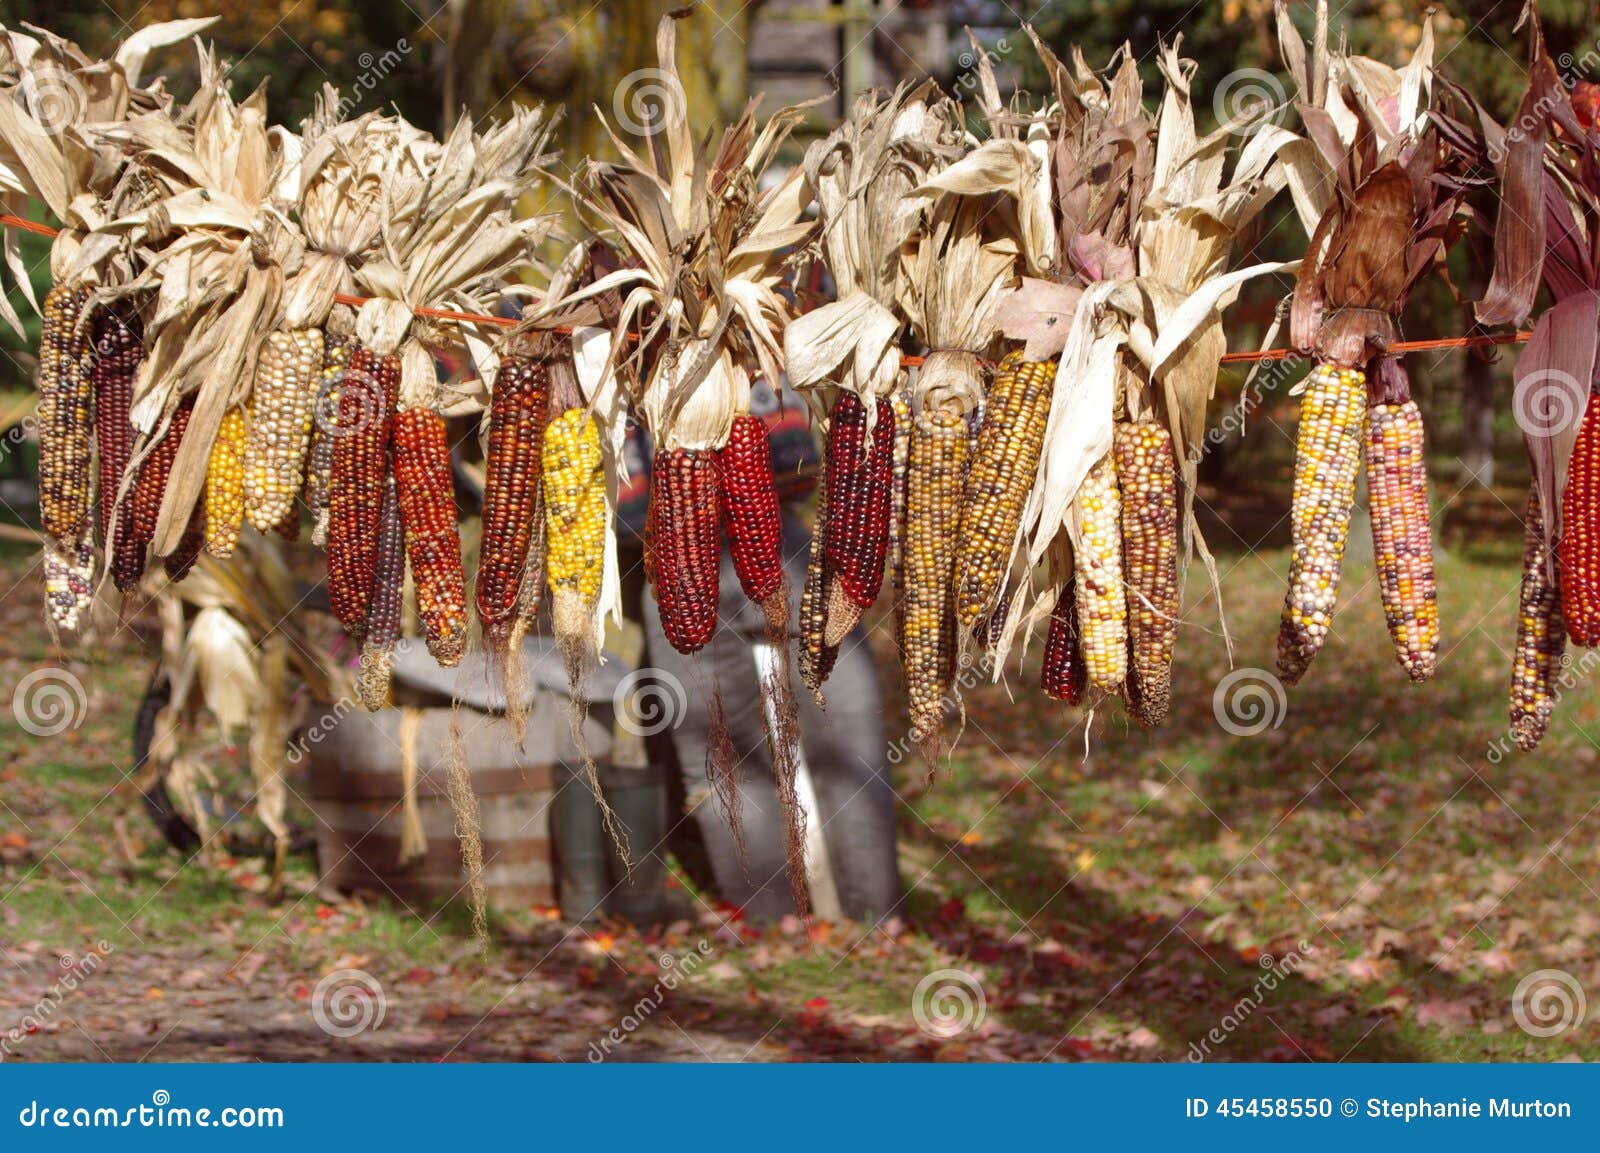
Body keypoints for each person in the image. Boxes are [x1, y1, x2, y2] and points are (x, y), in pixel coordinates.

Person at [616, 379, 902, 923]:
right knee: (718, 745)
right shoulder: (613, 361)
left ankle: (872, 911)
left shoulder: (752, 349)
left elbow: (798, 462)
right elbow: (624, 510)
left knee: (846, 730)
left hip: (777, 538)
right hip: (672, 555)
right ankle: (769, 914)